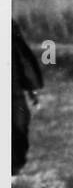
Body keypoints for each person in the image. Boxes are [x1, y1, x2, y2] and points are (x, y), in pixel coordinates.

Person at [12, 20, 44, 174]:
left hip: (12, 91)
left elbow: (22, 57)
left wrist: (32, 89)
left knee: (18, 130)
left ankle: (13, 173)